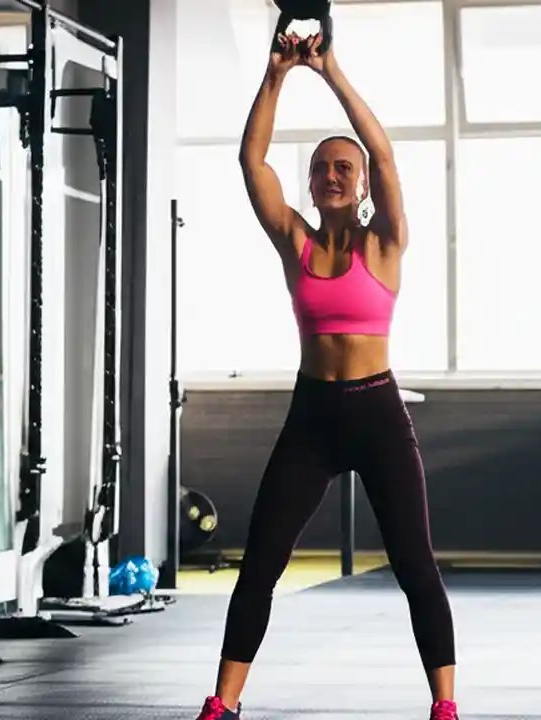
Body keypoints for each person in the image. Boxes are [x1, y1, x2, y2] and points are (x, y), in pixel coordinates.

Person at [195, 30, 459, 720]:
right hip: (312, 417)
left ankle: (445, 705)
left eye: (346, 167)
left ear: (363, 180)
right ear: (311, 183)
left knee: (415, 565)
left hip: (378, 415)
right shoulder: (295, 241)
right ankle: (223, 703)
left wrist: (332, 70)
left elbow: (385, 149)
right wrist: (278, 73)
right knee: (260, 565)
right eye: (323, 168)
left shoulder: (386, 241)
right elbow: (252, 158)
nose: (335, 175)